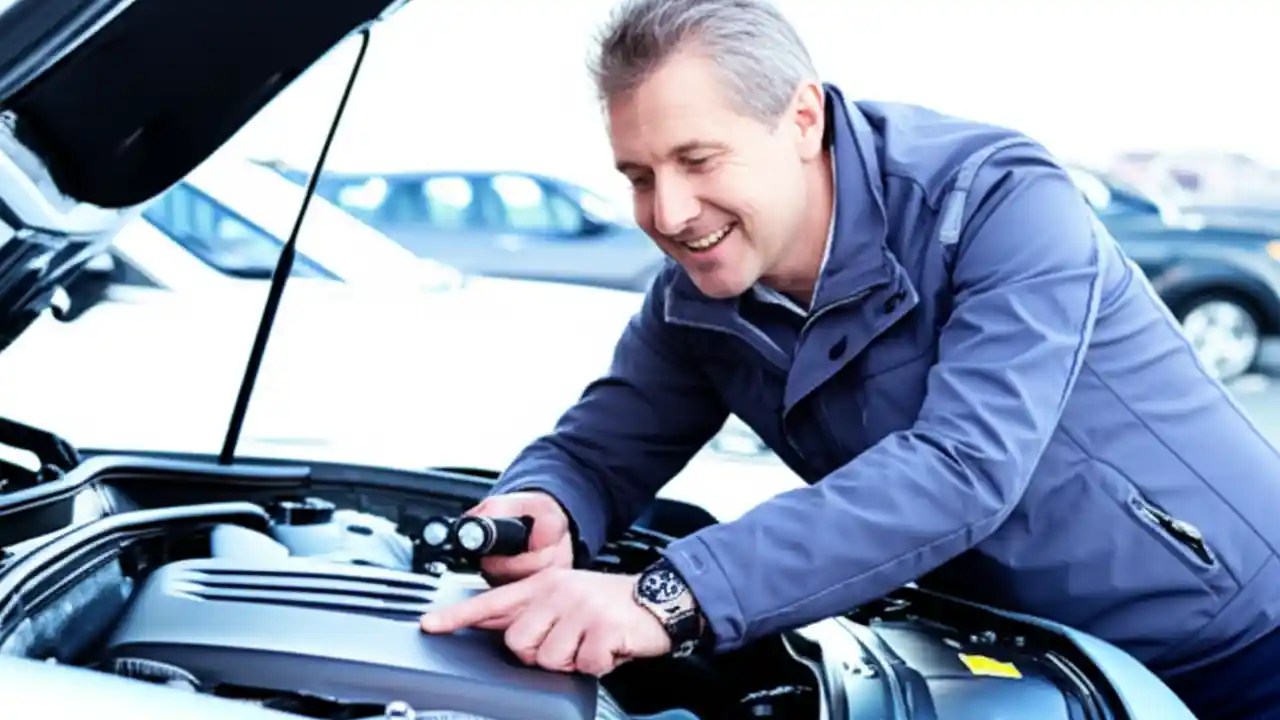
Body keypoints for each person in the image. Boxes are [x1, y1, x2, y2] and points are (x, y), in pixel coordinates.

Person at [420, 0, 1280, 716]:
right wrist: (545, 503)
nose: (668, 211)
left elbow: (963, 466)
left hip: (1233, 645)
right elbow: (592, 455)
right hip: (1018, 664)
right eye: (638, 174)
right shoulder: (696, 298)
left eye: (696, 159)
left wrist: (669, 598)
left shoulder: (996, 200)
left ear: (801, 118)